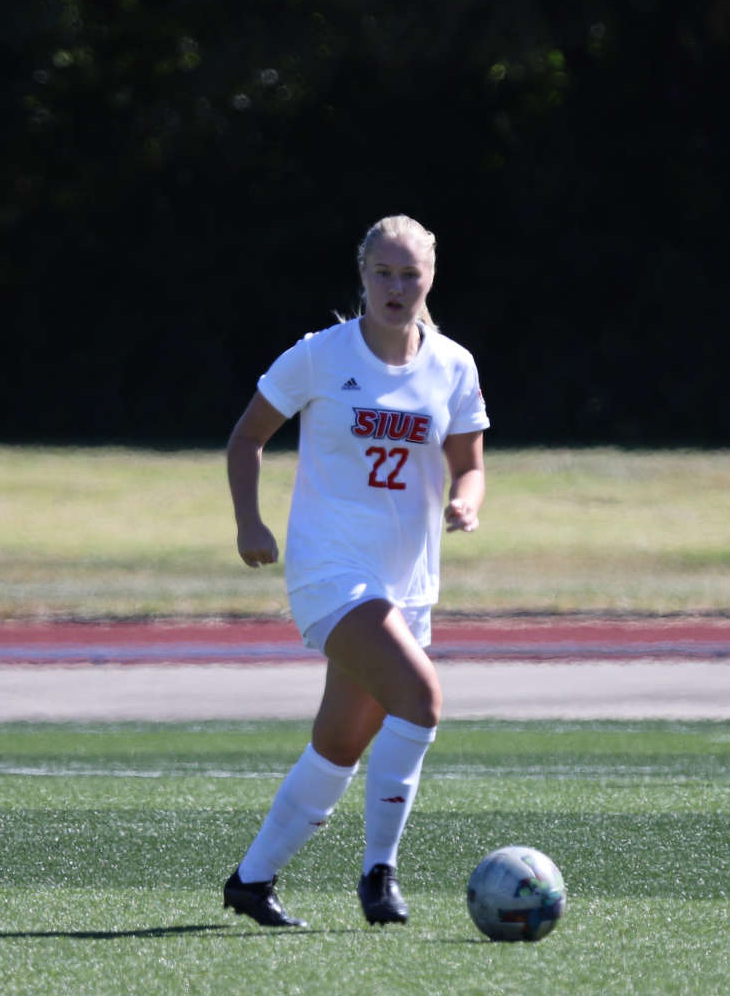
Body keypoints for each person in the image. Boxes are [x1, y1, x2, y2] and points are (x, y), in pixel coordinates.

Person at [220, 215, 489, 927]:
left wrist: (466, 500)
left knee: (341, 742)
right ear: (362, 274)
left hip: (408, 583)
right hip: (330, 569)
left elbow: (470, 464)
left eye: (410, 274)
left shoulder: (454, 365)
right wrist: (250, 520)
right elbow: (247, 437)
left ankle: (251, 880)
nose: (397, 287)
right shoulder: (319, 354)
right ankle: (379, 875)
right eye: (384, 272)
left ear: (430, 279)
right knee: (422, 698)